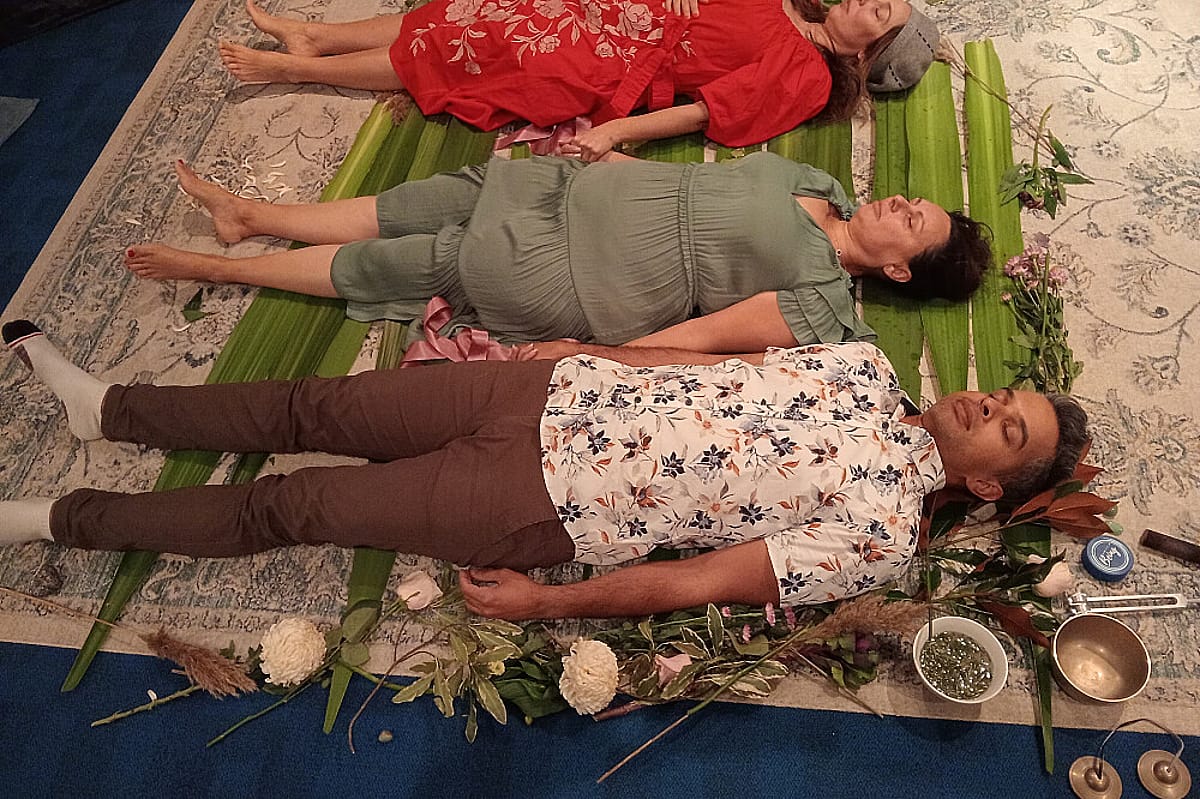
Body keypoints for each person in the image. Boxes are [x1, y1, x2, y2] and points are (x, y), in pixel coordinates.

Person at [0, 320, 1089, 620]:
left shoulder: (882, 537)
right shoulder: (863, 362)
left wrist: (547, 608)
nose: (989, 403)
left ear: (989, 484)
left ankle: (58, 519)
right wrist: (592, 353)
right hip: (541, 393)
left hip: (540, 504)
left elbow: (700, 580)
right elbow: (713, 365)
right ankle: (111, 407)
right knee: (314, 402)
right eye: (1005, 394)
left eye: (1007, 429)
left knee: (296, 501)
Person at [126, 152, 990, 354]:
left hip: (582, 276)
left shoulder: (820, 299)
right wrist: (615, 160)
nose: (906, 205)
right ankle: (252, 214)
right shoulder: (820, 179)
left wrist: (591, 354)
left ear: (900, 269)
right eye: (917, 203)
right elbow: (700, 180)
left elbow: (702, 338)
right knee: (431, 199)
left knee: (425, 259)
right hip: (574, 191)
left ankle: (221, 267)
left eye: (916, 226)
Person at [218, 0, 941, 160]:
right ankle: (320, 36)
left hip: (612, 66)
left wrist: (618, 129)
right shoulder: (798, 3)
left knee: (479, 49)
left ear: (868, 56)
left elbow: (707, 113)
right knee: (471, 8)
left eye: (877, 11)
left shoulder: (807, 78)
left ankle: (290, 65)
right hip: (620, 10)